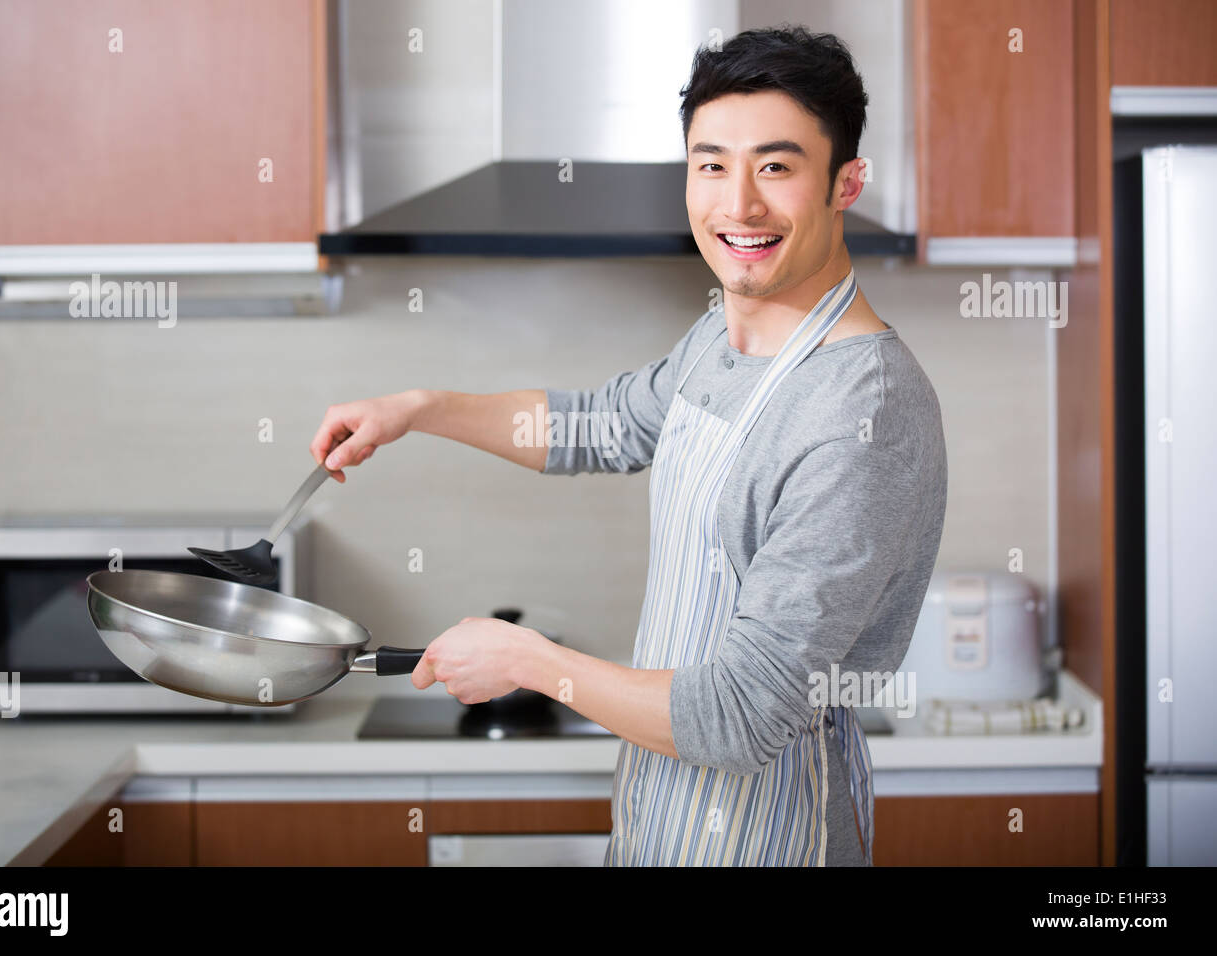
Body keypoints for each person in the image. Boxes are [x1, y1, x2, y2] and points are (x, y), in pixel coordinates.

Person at [309, 25, 947, 866]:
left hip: (774, 836)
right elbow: (599, 426)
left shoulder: (863, 413)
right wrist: (418, 408)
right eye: (712, 164)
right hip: (663, 822)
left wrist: (532, 662)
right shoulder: (724, 340)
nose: (739, 205)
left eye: (778, 167)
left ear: (846, 184)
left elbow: (740, 713)